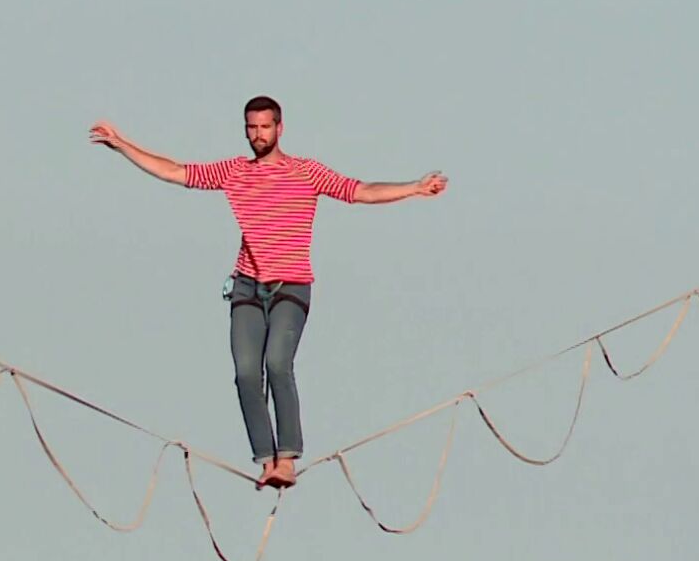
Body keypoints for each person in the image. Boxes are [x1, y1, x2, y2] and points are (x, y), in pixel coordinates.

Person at [89, 95, 448, 489]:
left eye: (264, 127)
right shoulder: (234, 172)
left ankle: (287, 459)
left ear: (280, 128)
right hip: (247, 285)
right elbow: (175, 171)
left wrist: (415, 187)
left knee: (278, 363)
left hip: (291, 286)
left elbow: (361, 190)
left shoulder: (306, 172)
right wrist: (122, 145)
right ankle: (266, 461)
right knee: (246, 372)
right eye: (252, 128)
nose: (258, 135)